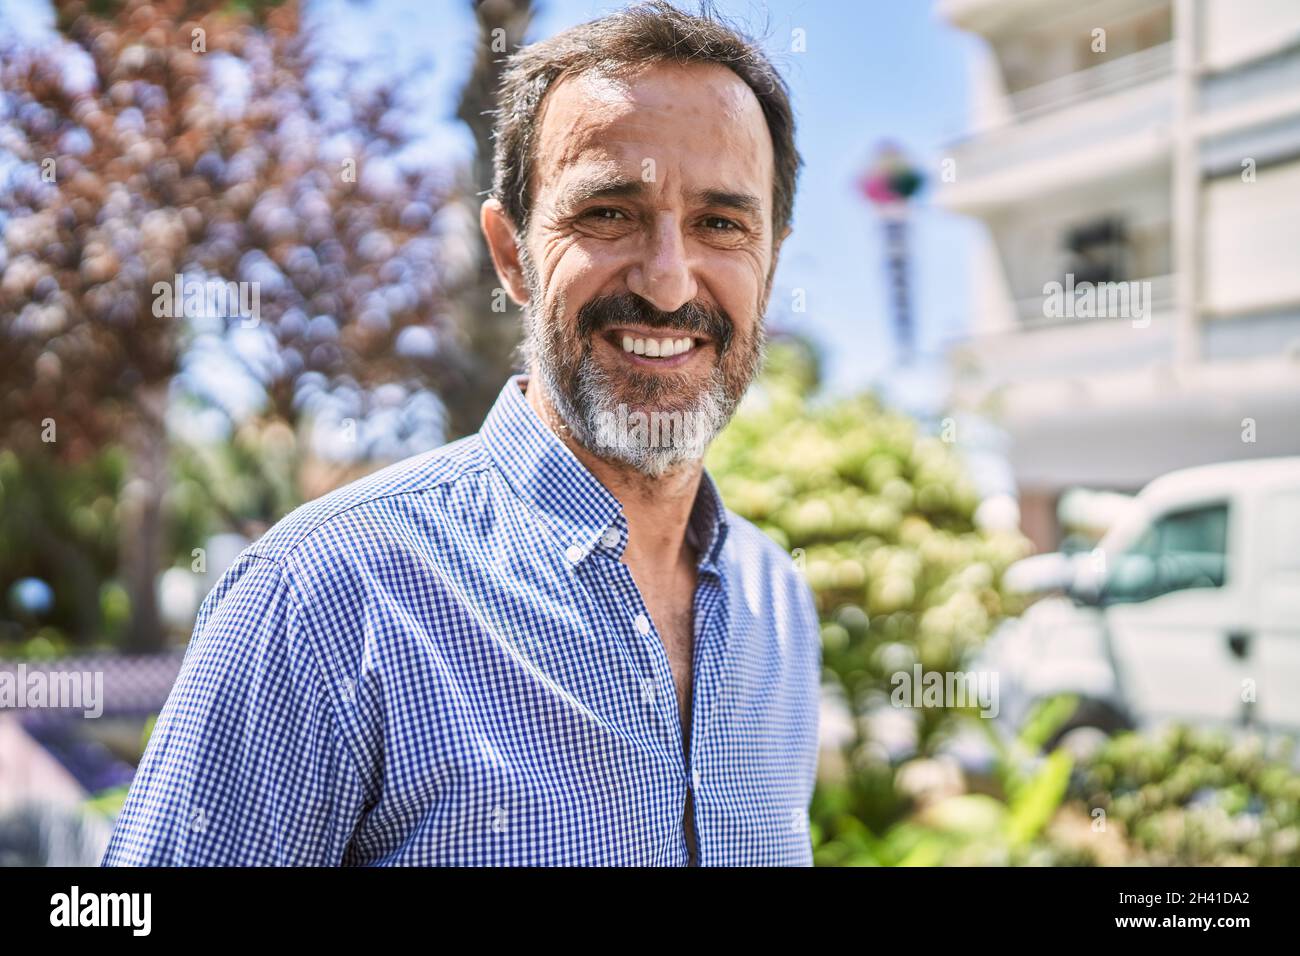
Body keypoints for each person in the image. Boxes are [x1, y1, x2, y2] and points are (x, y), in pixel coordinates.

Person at [103, 0, 820, 866]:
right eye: (608, 214)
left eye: (719, 224)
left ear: (770, 260)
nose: (669, 284)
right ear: (511, 253)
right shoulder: (320, 600)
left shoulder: (776, 606)